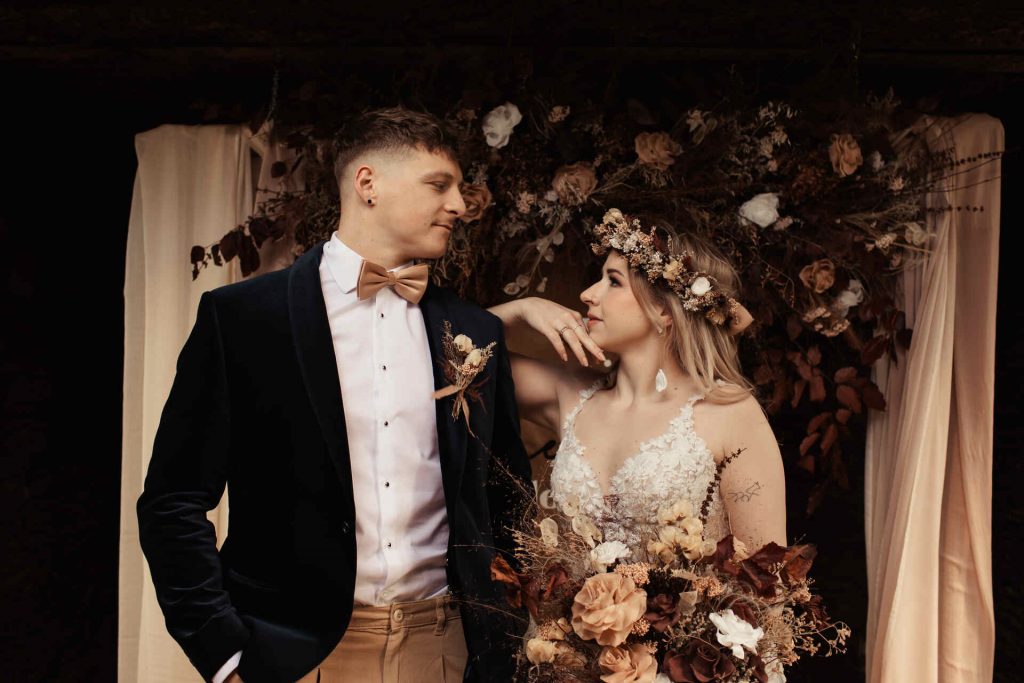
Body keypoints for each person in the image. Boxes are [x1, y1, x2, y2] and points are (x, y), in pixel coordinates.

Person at [137, 107, 532, 683]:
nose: (459, 205)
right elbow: (172, 501)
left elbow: (505, 497)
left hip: (444, 651)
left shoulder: (476, 332)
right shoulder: (243, 319)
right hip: (293, 656)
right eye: (438, 185)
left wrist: (504, 640)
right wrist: (224, 655)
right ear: (367, 184)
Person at [488, 209, 786, 556]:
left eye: (613, 281)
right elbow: (448, 358)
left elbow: (768, 578)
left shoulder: (728, 411)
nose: (587, 294)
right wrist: (522, 309)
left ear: (663, 311)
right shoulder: (569, 397)